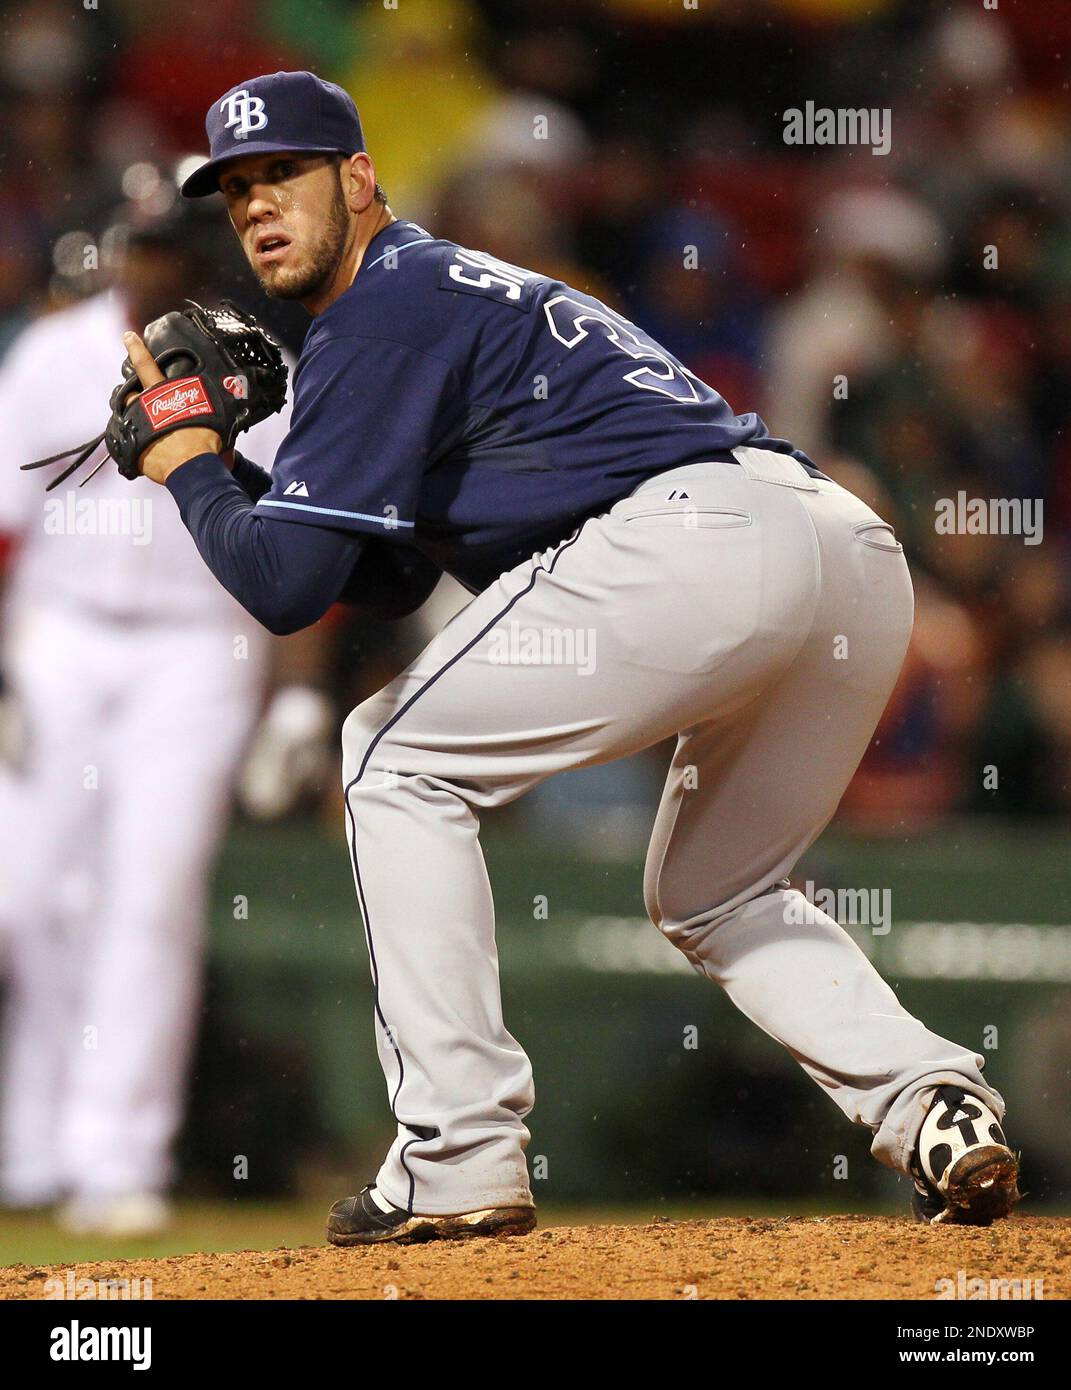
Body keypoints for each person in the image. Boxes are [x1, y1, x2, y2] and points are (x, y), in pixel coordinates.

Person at [120, 71, 1019, 1243]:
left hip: (696, 540)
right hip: (835, 546)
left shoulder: (377, 307)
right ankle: (930, 1099)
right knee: (715, 888)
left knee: (388, 758)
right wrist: (234, 474)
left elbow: (285, 592)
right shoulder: (437, 292)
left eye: (282, 174)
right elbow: (374, 573)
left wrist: (188, 460)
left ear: (357, 177)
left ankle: (455, 1147)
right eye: (235, 192)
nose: (256, 208)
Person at [0, 187, 291, 1236]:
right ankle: (32, 1145)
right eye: (138, 239)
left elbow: (303, 534)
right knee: (26, 900)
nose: (150, 258)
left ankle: (115, 1158)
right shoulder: (49, 350)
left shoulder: (254, 360)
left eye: (168, 240)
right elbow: (3, 522)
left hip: (197, 648)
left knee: (149, 900)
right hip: (59, 636)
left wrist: (294, 703)